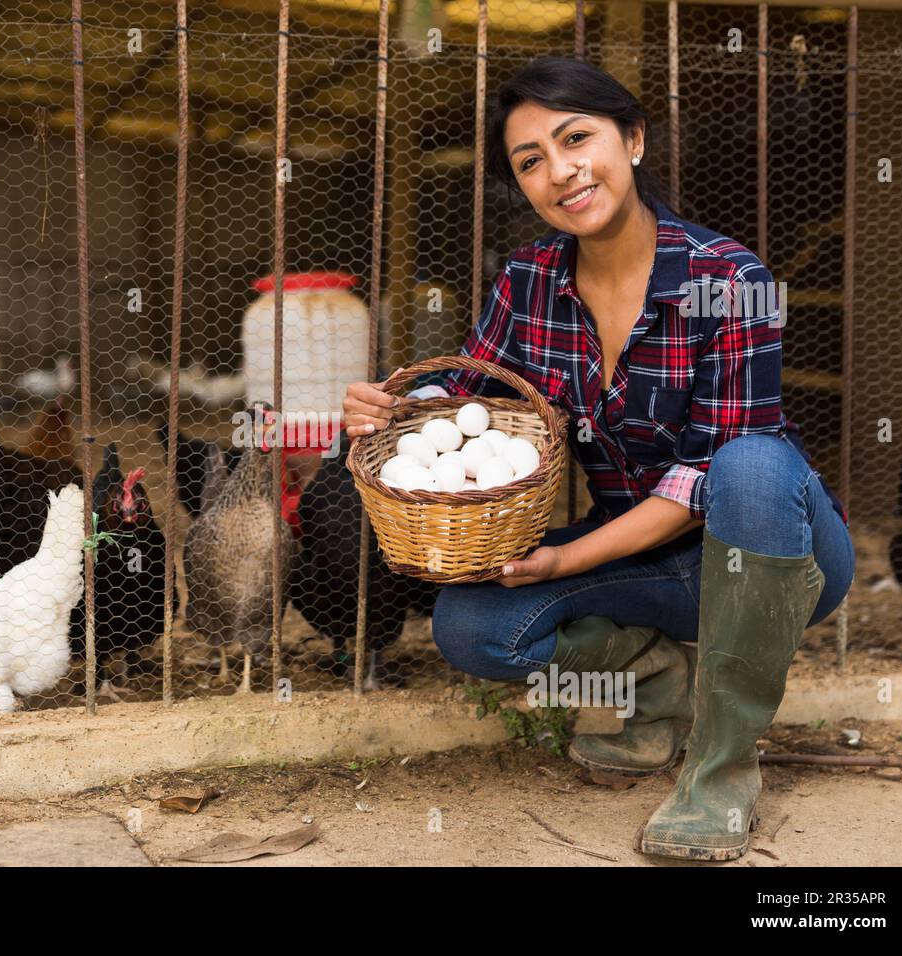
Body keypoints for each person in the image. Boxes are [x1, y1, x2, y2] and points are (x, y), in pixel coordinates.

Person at [342, 55, 854, 862]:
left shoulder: (731, 278)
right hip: (645, 563)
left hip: (773, 554)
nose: (561, 171)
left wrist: (564, 558)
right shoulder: (529, 282)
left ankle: (721, 772)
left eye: (576, 137)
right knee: (473, 629)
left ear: (635, 140)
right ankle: (656, 681)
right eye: (530, 161)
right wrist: (396, 409)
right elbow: (473, 394)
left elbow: (708, 471)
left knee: (750, 464)